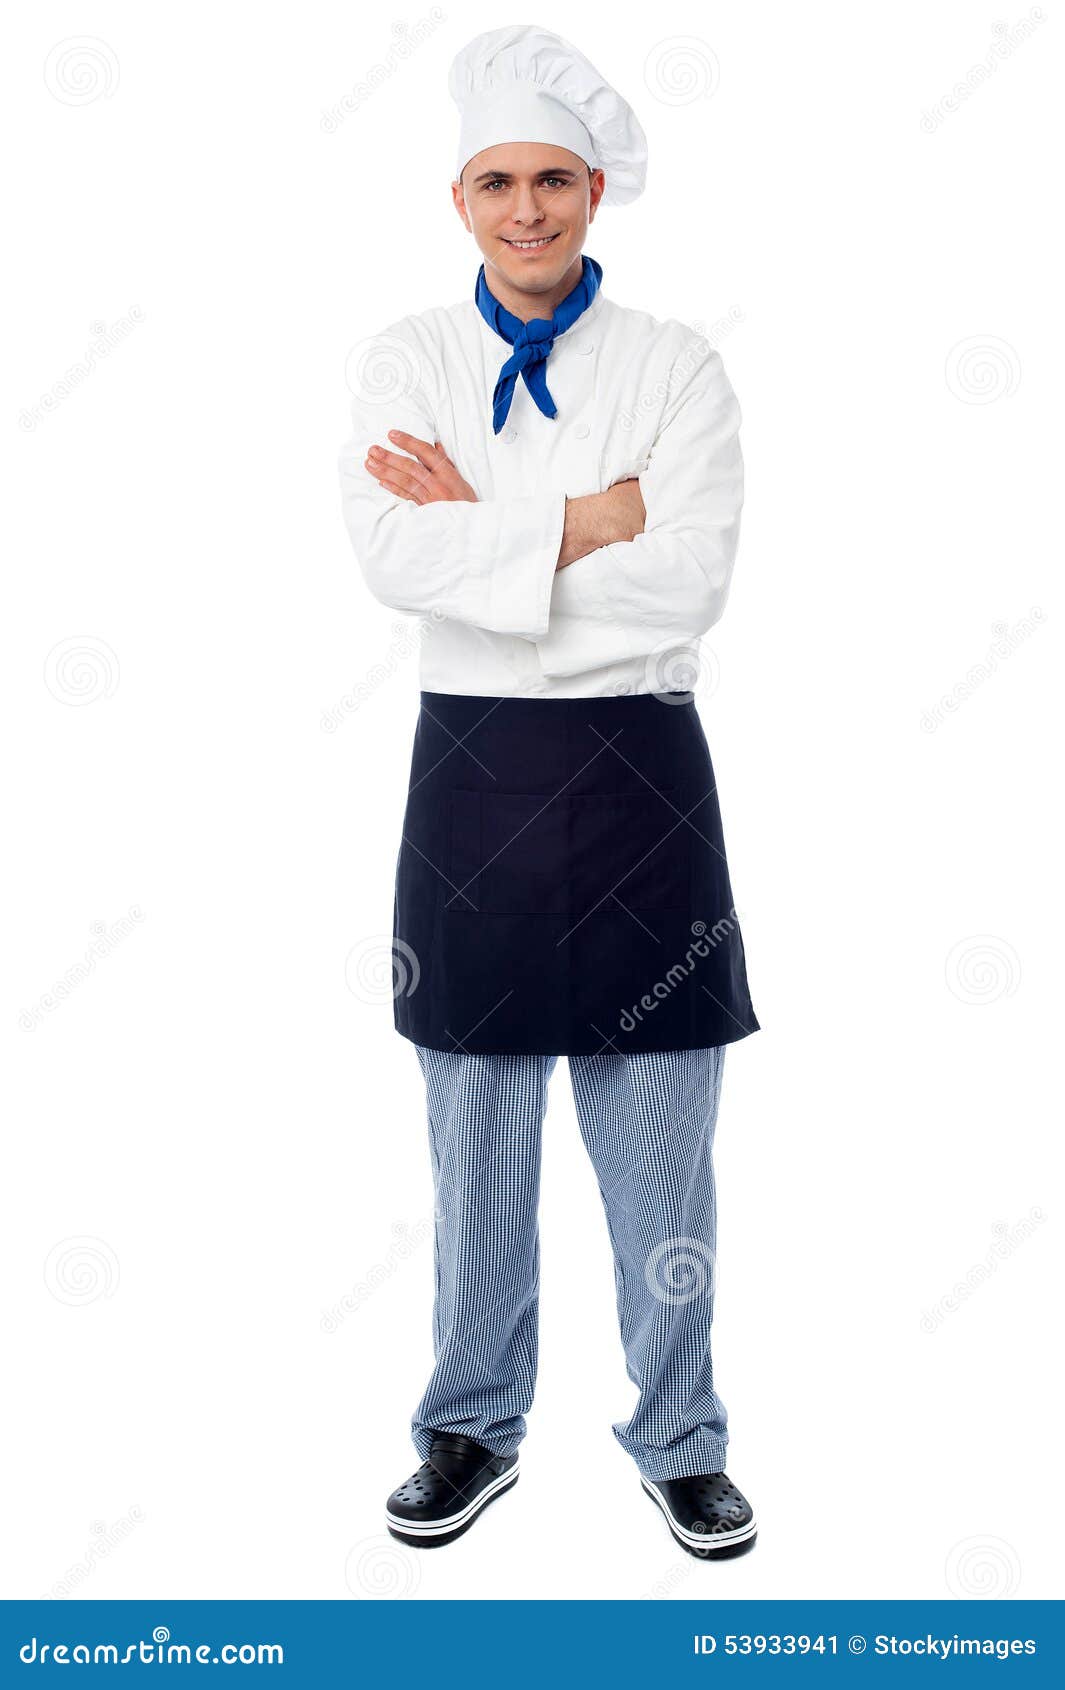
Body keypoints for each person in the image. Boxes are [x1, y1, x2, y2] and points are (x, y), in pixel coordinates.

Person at [337, 24, 760, 1560]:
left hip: (643, 779)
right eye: (498, 182)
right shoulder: (405, 362)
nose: (528, 210)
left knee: (662, 1152)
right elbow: (396, 560)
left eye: (554, 181)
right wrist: (595, 514)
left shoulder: (675, 362)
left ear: (595, 192)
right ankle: (467, 1426)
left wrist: (496, 541)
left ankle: (682, 1436)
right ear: (461, 198)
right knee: (476, 1146)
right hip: (470, 777)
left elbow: (689, 581)